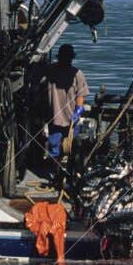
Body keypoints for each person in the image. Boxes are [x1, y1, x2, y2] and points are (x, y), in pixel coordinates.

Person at [44, 44, 89, 187]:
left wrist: (78, 110)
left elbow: (81, 96)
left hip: (71, 121)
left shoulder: (78, 74)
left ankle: (71, 178)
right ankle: (56, 176)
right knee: (54, 148)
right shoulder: (50, 71)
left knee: (72, 151)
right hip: (54, 118)